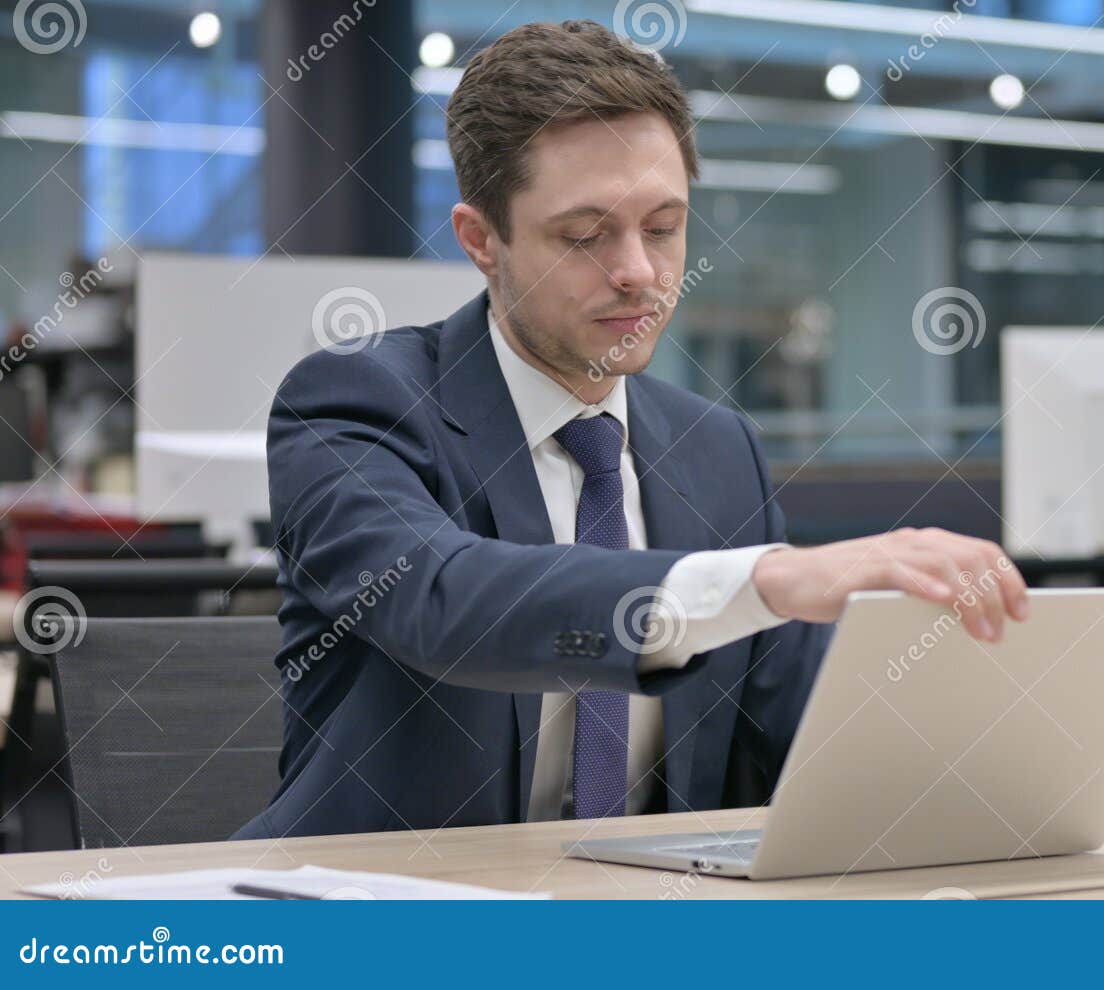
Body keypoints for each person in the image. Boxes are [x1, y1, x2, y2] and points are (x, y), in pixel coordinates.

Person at [234, 20, 1027, 840]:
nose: (639, 273)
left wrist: (987, 739)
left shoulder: (718, 453)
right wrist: (763, 580)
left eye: (662, 227)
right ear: (481, 240)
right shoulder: (355, 401)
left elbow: (806, 741)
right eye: (583, 236)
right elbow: (443, 601)